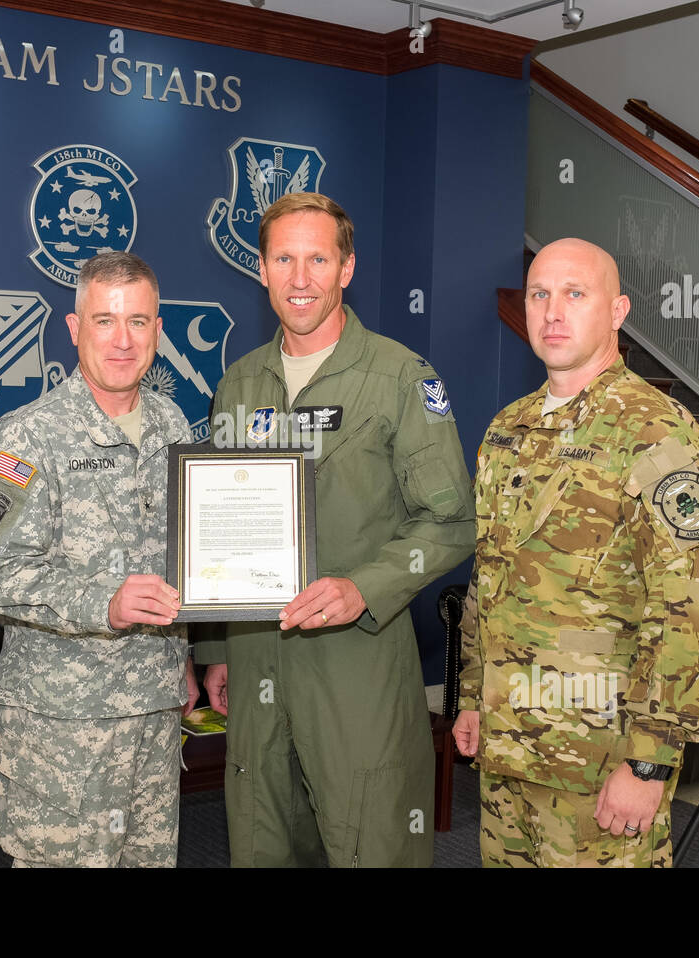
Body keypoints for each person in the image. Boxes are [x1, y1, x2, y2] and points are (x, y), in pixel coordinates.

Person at [197, 192, 474, 867]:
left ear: (346, 269)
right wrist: (216, 649)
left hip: (355, 653)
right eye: (283, 258)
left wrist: (363, 587)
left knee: (370, 839)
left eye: (318, 258)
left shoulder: (399, 378)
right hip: (258, 651)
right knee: (262, 836)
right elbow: (213, 526)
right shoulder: (238, 383)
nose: (300, 278)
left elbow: (454, 524)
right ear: (260, 269)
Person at [452, 237, 699, 867]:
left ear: (617, 310)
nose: (553, 311)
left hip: (600, 758)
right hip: (509, 741)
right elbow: (488, 575)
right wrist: (471, 696)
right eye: (540, 294)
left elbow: (689, 610)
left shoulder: (659, 432)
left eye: (575, 293)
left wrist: (649, 761)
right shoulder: (507, 428)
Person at [0, 251, 198, 868]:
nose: (123, 341)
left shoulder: (175, 427)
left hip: (153, 711)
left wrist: (191, 659)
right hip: (62, 731)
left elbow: (185, 557)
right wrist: (107, 601)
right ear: (74, 330)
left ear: (157, 329)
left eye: (139, 322)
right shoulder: (23, 438)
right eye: (105, 321)